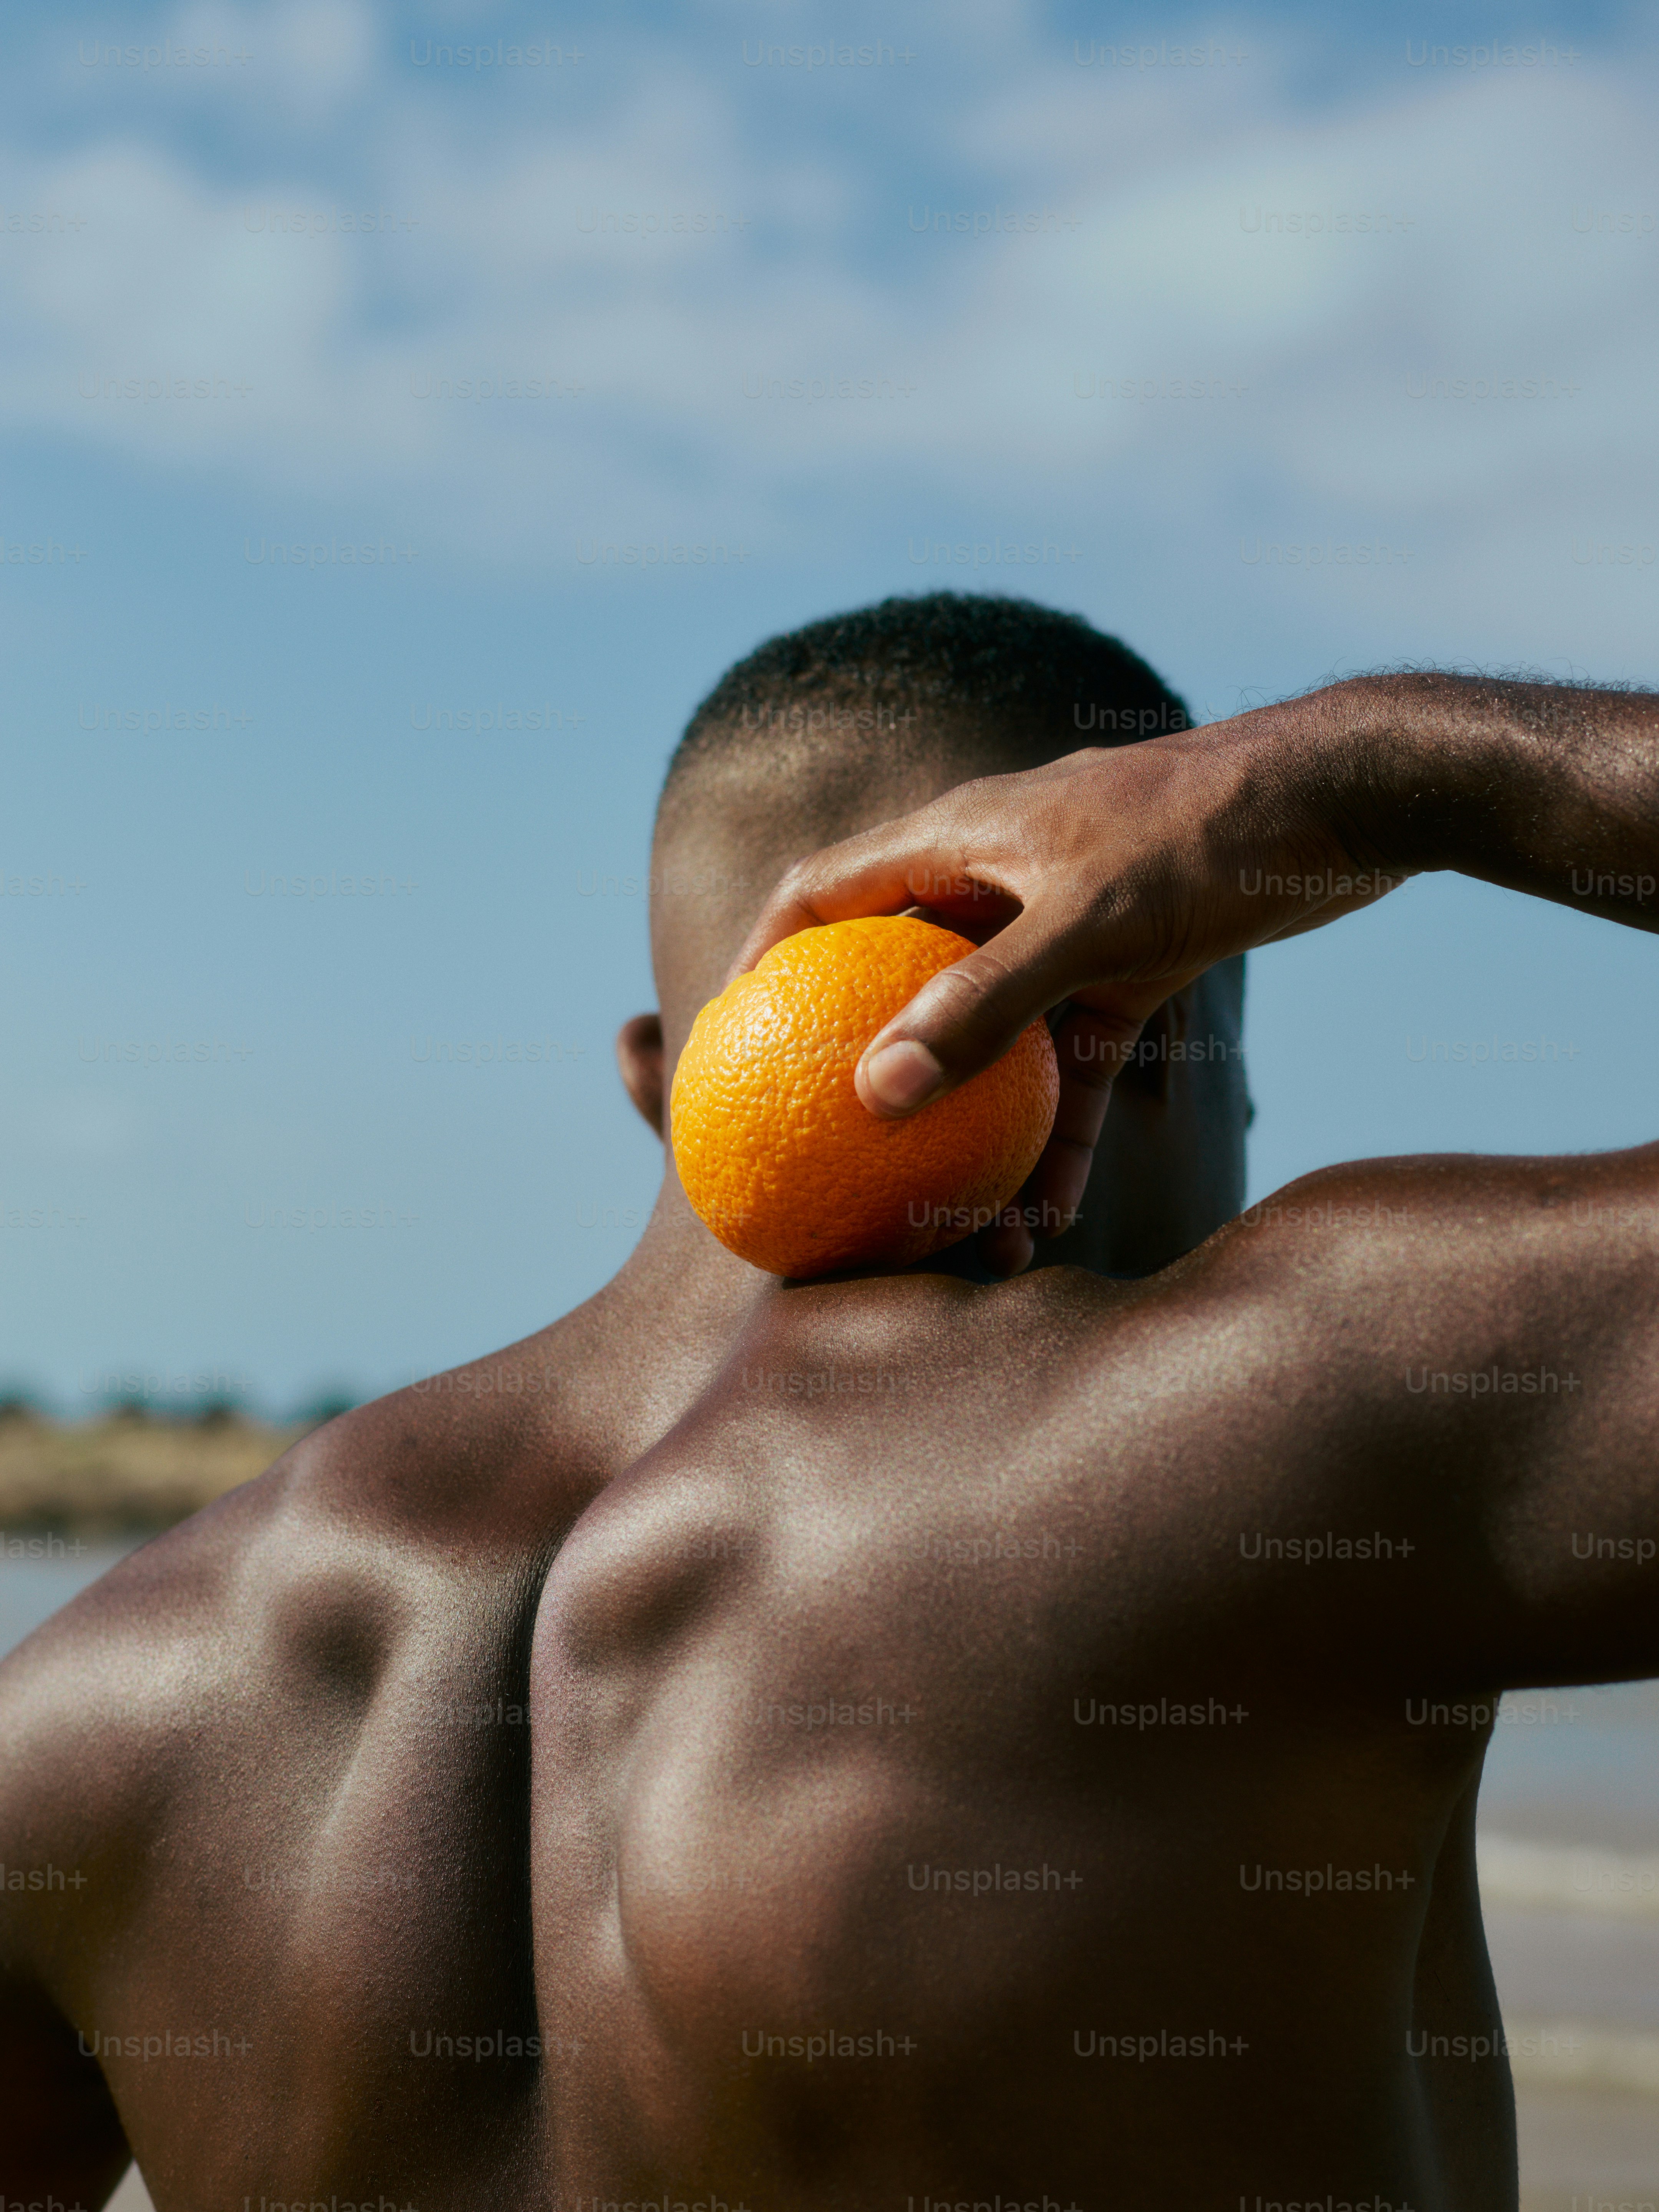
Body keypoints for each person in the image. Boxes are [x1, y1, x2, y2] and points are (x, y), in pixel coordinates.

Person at [1, 592, 1654, 2211]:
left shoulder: (84, 1716)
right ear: (1143, 1040)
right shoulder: (1298, 1419)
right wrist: (1380, 773)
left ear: (661, 1073)